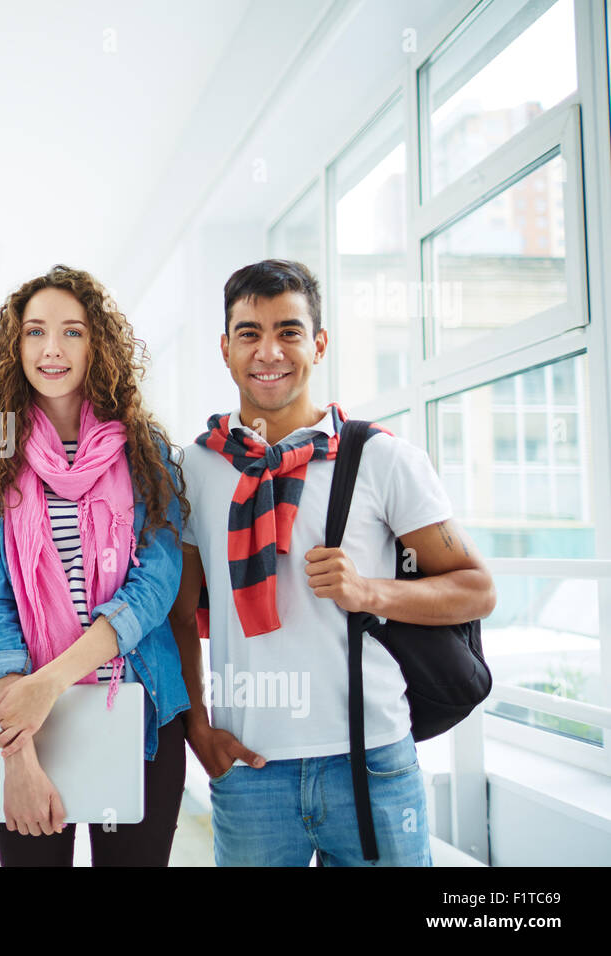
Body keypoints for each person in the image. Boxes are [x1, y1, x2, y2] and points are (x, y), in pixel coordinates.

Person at [171, 258, 496, 866]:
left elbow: (476, 589)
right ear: (225, 348)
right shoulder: (195, 468)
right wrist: (198, 727)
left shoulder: (380, 458)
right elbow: (181, 614)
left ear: (318, 344)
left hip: (371, 759)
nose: (269, 351)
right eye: (250, 333)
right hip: (250, 768)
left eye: (289, 331)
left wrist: (370, 592)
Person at [0, 264, 189, 867]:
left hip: (141, 713)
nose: (51, 349)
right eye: (34, 332)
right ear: (15, 348)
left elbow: (155, 589)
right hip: (26, 723)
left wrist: (48, 685)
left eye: (72, 332)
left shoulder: (147, 451)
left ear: (98, 345)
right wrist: (19, 753)